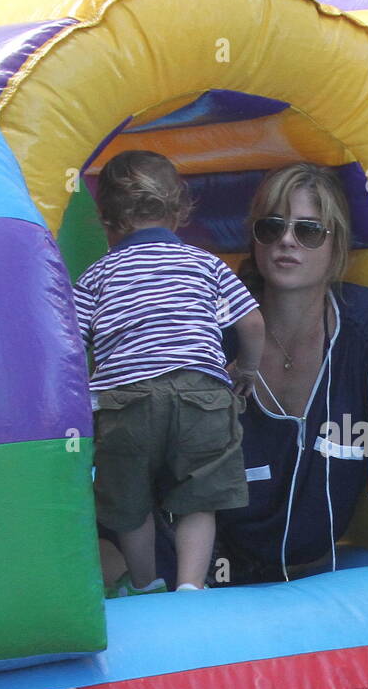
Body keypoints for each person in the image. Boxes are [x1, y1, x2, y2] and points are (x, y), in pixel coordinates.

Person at [217, 162, 368, 582]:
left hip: (312, 568)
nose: (286, 241)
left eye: (308, 231)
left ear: (335, 246)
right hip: (214, 565)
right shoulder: (225, 325)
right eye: (271, 228)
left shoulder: (365, 318)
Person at [74, 151, 265, 592]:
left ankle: (145, 584)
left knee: (129, 503)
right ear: (180, 211)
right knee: (200, 498)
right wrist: (247, 370)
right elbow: (252, 321)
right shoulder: (205, 263)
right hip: (202, 394)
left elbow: (69, 339)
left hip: (127, 402)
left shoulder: (98, 274)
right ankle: (191, 585)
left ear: (107, 222)